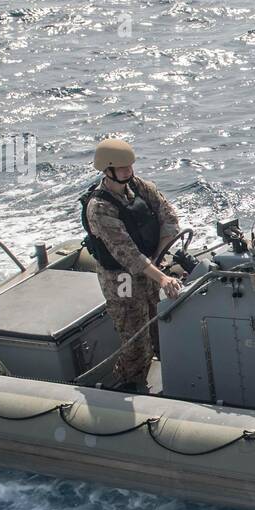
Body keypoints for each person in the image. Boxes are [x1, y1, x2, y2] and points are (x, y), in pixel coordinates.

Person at [80, 138, 183, 393]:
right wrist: (162, 278)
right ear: (107, 170)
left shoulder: (137, 186)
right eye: (122, 168)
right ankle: (126, 387)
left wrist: (158, 260)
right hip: (121, 281)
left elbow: (169, 217)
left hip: (151, 268)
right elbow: (128, 255)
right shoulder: (100, 208)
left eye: (129, 166)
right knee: (136, 340)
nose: (129, 171)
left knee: (162, 328)